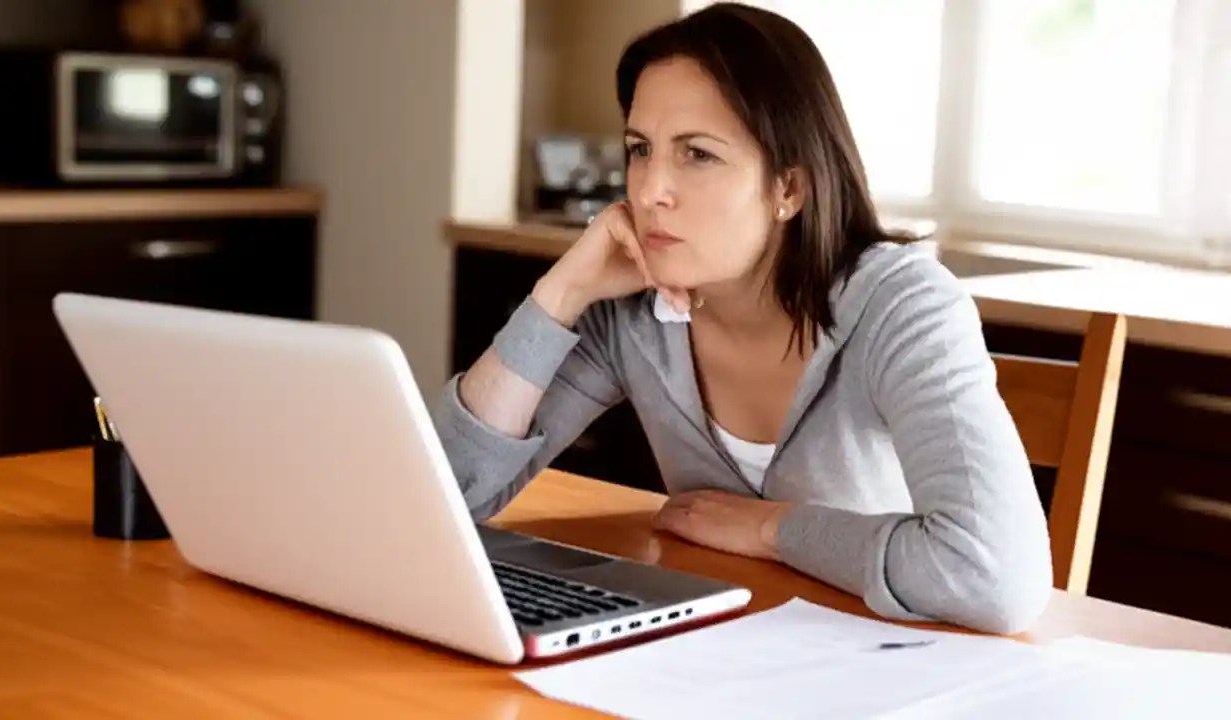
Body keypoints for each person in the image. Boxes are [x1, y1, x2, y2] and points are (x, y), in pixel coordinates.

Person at [432, 2, 1052, 634]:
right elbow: (442, 504)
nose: (648, 191)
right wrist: (559, 293)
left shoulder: (902, 305)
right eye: (640, 149)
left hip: (891, 665)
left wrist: (771, 528)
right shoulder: (632, 311)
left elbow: (994, 576)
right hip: (721, 653)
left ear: (790, 189)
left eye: (697, 154)